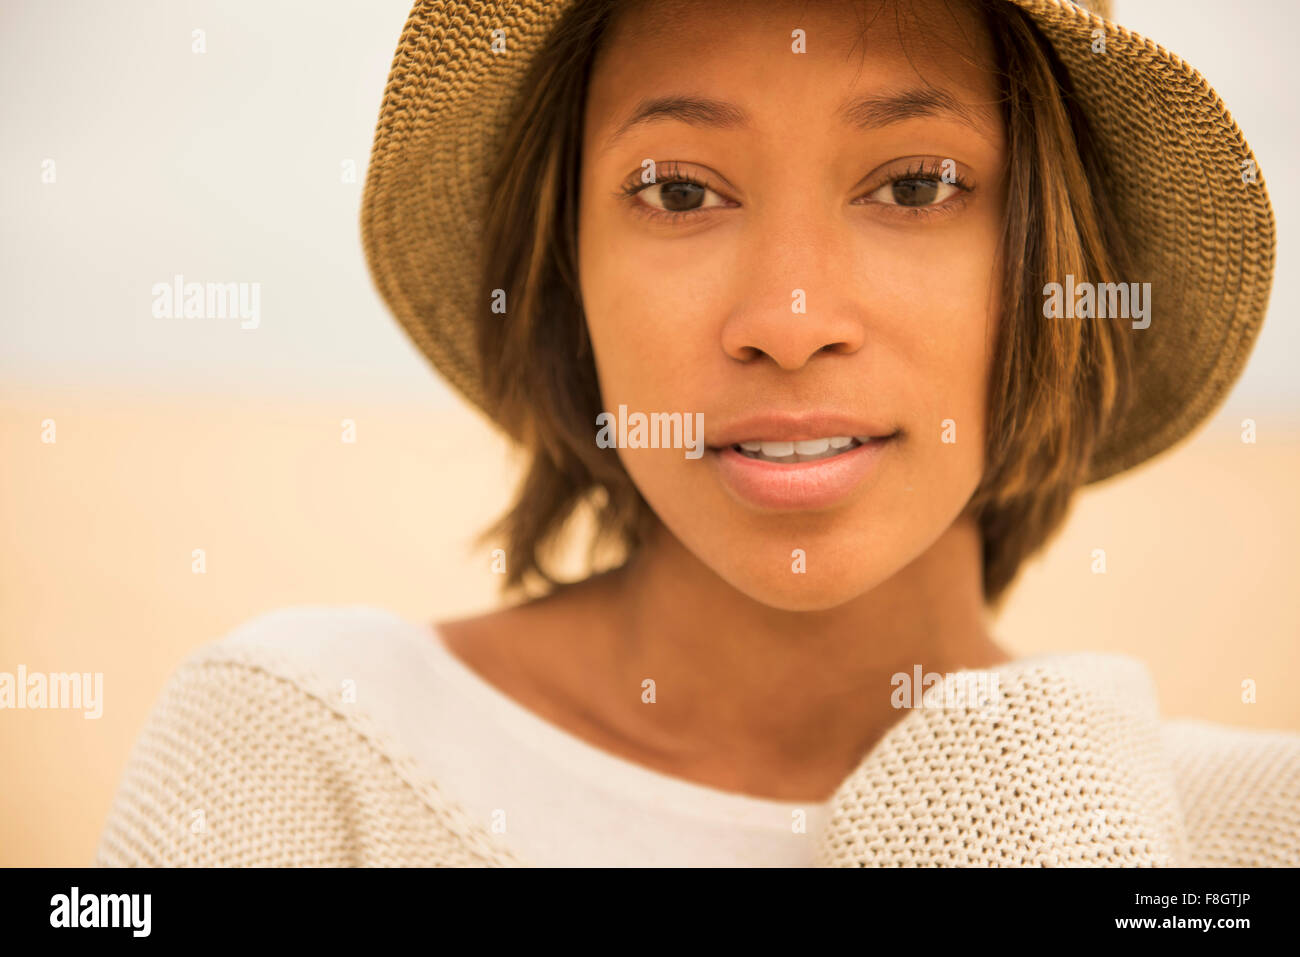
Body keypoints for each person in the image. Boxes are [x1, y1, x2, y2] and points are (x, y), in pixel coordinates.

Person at [95, 0, 1298, 867]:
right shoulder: (303, 744)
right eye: (678, 191)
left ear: (1052, 264)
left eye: (915, 185)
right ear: (562, 271)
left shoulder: (1241, 831)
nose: (787, 321)